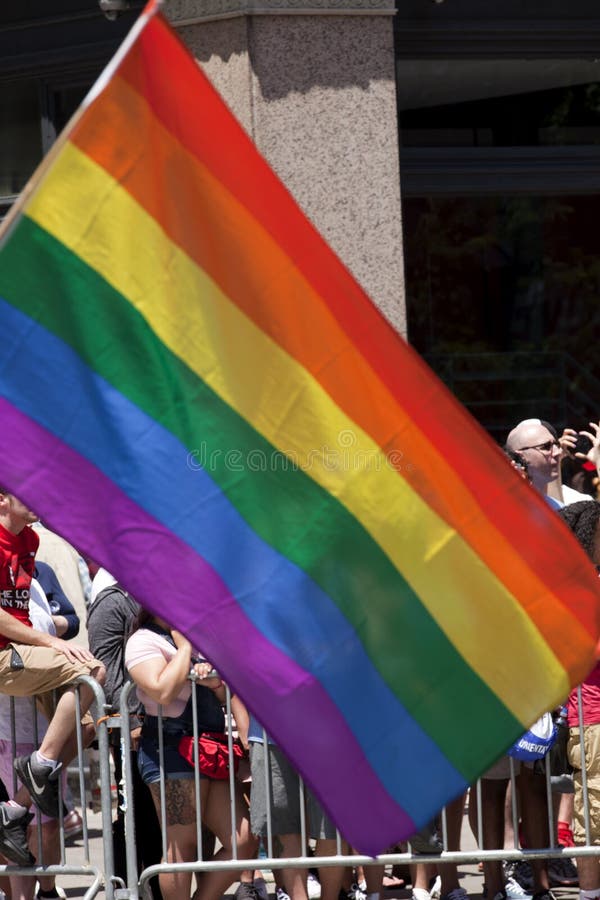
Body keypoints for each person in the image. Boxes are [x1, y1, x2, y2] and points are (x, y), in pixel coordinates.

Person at [125, 611, 256, 900]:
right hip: (169, 751)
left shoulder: (202, 638)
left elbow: (226, 693)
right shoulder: (143, 641)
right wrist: (184, 649)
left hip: (209, 750)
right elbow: (161, 691)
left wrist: (215, 684)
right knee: (179, 849)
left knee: (244, 840)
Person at [0, 487, 105, 819]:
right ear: (2, 500)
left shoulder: (31, 540)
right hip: (6, 656)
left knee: (87, 729)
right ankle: (41, 766)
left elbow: (23, 610)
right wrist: (50, 642)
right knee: (93, 670)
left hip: (24, 652)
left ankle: (16, 808)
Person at [86, 569, 163, 900]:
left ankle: (156, 886)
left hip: (164, 728)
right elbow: (104, 672)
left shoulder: (159, 599)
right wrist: (128, 722)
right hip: (129, 730)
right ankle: (125, 888)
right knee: (135, 816)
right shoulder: (112, 602)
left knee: (159, 821)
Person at [559, 500, 600, 900]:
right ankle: (590, 894)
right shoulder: (582, 588)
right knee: (594, 810)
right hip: (592, 718)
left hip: (591, 717)